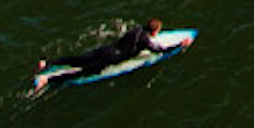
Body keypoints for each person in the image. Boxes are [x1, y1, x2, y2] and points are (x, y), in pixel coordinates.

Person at [35, 19, 170, 91]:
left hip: (106, 49)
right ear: (154, 31)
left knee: (79, 59)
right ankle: (48, 80)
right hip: (111, 58)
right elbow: (158, 50)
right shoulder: (145, 41)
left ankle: (47, 63)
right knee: (84, 71)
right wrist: (178, 46)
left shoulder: (136, 30)